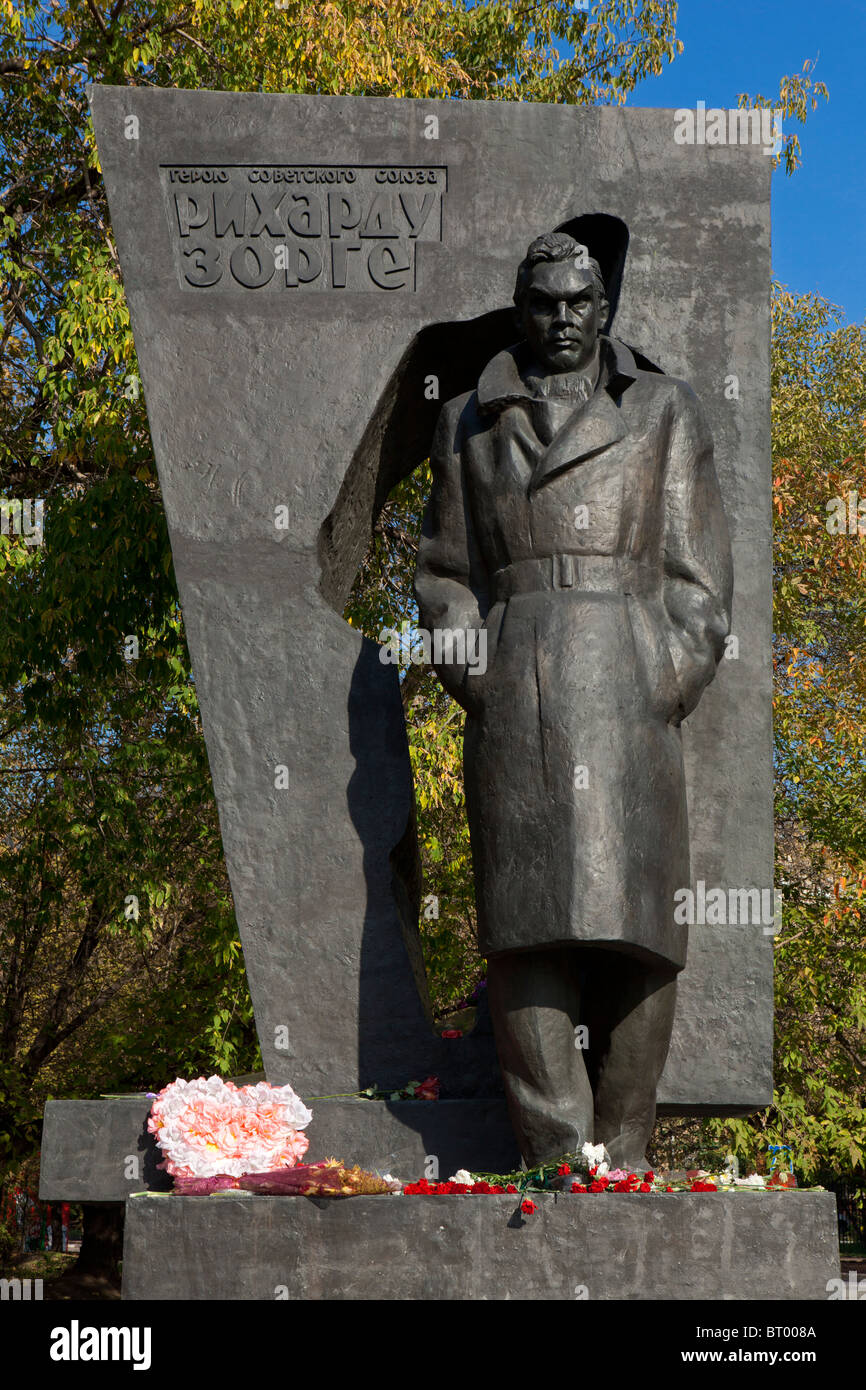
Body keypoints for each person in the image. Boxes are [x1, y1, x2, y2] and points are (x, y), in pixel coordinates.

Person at [414, 231, 733, 1167]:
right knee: (526, 925)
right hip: (519, 685)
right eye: (543, 303)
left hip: (629, 686)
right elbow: (445, 573)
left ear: (606, 309)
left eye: (578, 303)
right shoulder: (471, 419)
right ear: (522, 309)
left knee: (638, 929)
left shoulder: (663, 409)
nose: (561, 320)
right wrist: (480, 666)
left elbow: (699, 581)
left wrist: (662, 672)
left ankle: (625, 1160)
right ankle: (556, 1161)